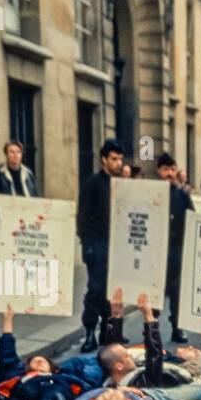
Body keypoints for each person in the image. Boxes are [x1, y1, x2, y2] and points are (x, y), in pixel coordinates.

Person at [77, 139, 126, 352]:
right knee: (95, 289)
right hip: (97, 246)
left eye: (120, 159)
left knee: (112, 291)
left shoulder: (120, 185)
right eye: (114, 159)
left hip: (116, 247)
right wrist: (87, 246)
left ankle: (109, 333)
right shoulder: (92, 183)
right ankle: (90, 333)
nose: (118, 163)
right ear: (104, 159)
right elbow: (82, 217)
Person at [157, 152, 196, 343]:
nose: (170, 173)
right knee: (153, 291)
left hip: (176, 250)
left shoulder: (182, 195)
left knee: (176, 292)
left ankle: (177, 327)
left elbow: (192, 220)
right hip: (155, 252)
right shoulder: (152, 193)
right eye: (166, 169)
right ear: (159, 171)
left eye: (172, 169)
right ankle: (152, 326)